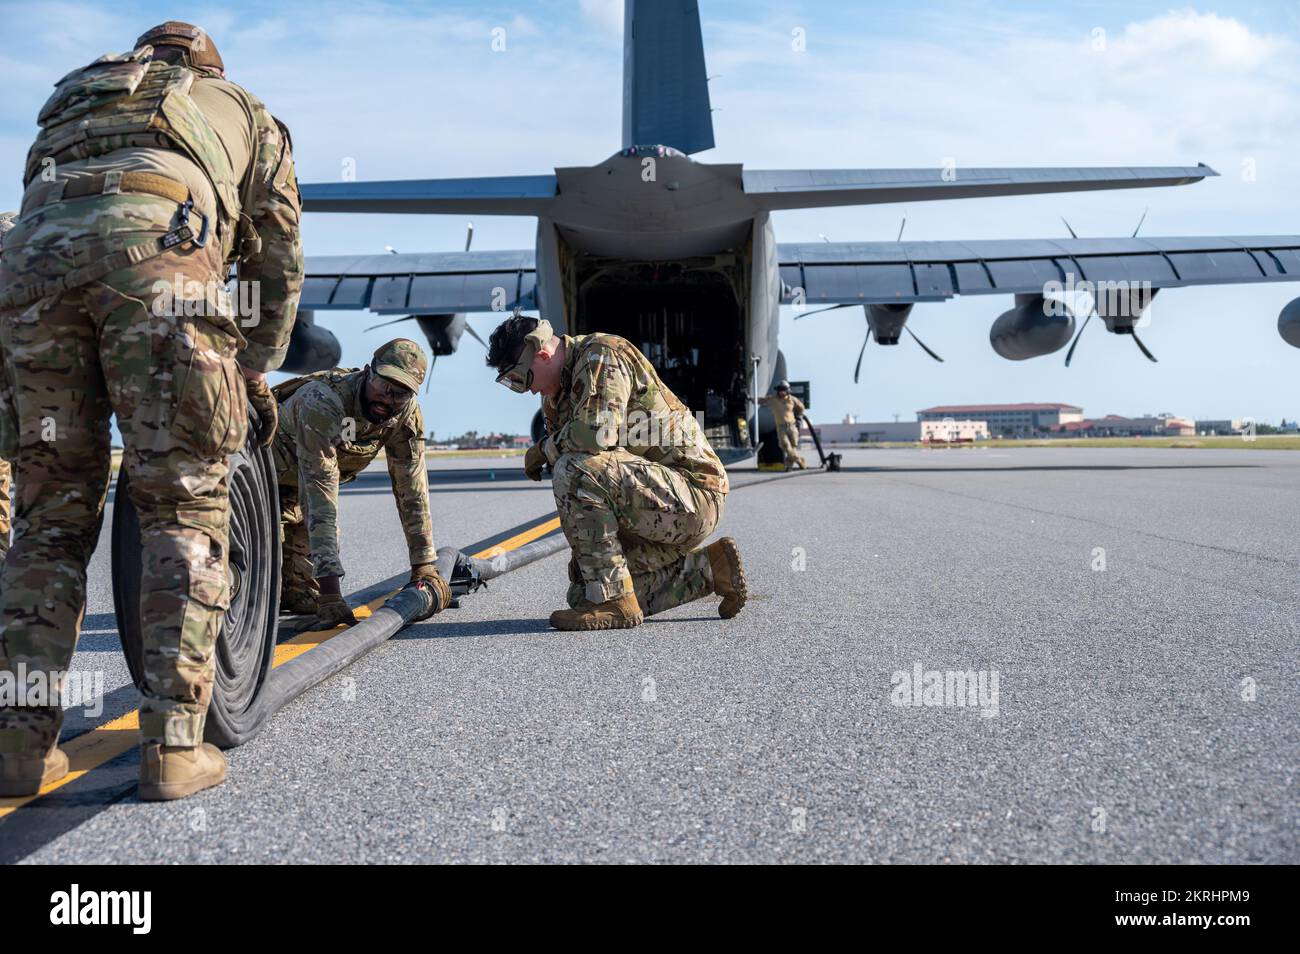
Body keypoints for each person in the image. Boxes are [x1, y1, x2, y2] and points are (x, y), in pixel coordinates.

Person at [0, 22, 300, 800]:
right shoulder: (243, 110)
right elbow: (276, 255)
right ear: (206, 67)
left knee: (50, 521)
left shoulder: (73, 97)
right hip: (158, 266)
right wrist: (253, 366)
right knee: (183, 501)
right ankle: (173, 746)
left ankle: (20, 744)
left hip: (29, 275)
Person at [486, 313, 746, 630]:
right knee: (585, 592)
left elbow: (595, 436)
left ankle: (617, 605)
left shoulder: (602, 353)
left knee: (576, 466)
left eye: (521, 378)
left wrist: (543, 449)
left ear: (541, 354)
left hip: (693, 496)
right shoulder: (556, 400)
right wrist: (588, 558)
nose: (526, 391)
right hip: (653, 506)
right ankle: (711, 569)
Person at [272, 339, 451, 626]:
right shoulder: (324, 402)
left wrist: (424, 566)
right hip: (256, 485)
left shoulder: (404, 413)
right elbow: (321, 493)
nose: (388, 399)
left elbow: (412, 489)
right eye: (384, 385)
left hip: (297, 495)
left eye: (401, 393)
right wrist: (331, 592)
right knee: (246, 590)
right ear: (368, 372)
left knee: (301, 600)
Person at [761, 380, 807, 470]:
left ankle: (789, 466)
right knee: (785, 445)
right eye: (780, 390)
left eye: (783, 390)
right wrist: (750, 398)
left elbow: (801, 408)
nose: (781, 392)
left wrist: (799, 418)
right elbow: (761, 400)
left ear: (787, 390)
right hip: (781, 427)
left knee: (793, 446)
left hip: (792, 426)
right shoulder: (773, 399)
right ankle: (799, 460)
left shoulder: (792, 400)